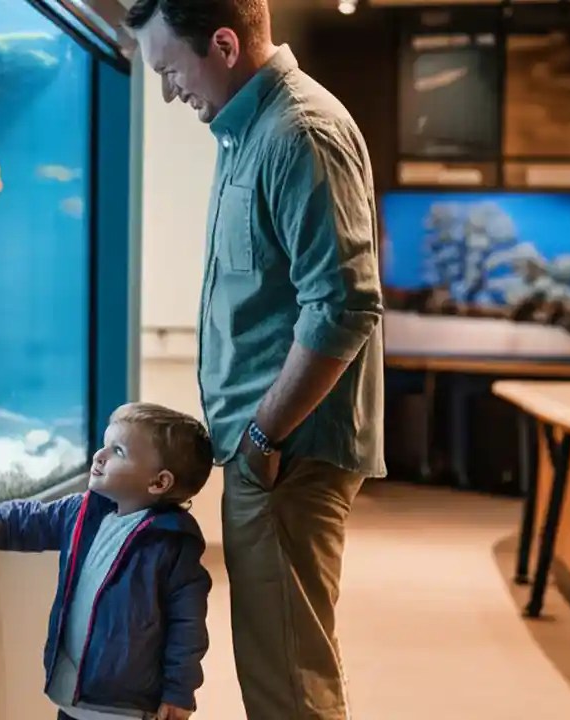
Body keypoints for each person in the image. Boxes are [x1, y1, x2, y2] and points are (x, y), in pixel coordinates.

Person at [124, 1, 385, 719]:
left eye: (172, 69)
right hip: (269, 456)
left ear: (225, 43)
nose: (171, 91)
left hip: (288, 458)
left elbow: (345, 306)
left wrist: (265, 436)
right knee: (279, 667)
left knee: (289, 686)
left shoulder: (298, 131)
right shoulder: (246, 134)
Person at [0, 402, 215, 720]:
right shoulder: (81, 514)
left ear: (159, 483)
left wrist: (179, 691)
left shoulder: (172, 545)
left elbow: (187, 626)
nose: (99, 456)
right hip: (73, 696)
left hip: (127, 704)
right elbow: (25, 520)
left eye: (117, 451)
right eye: (104, 445)